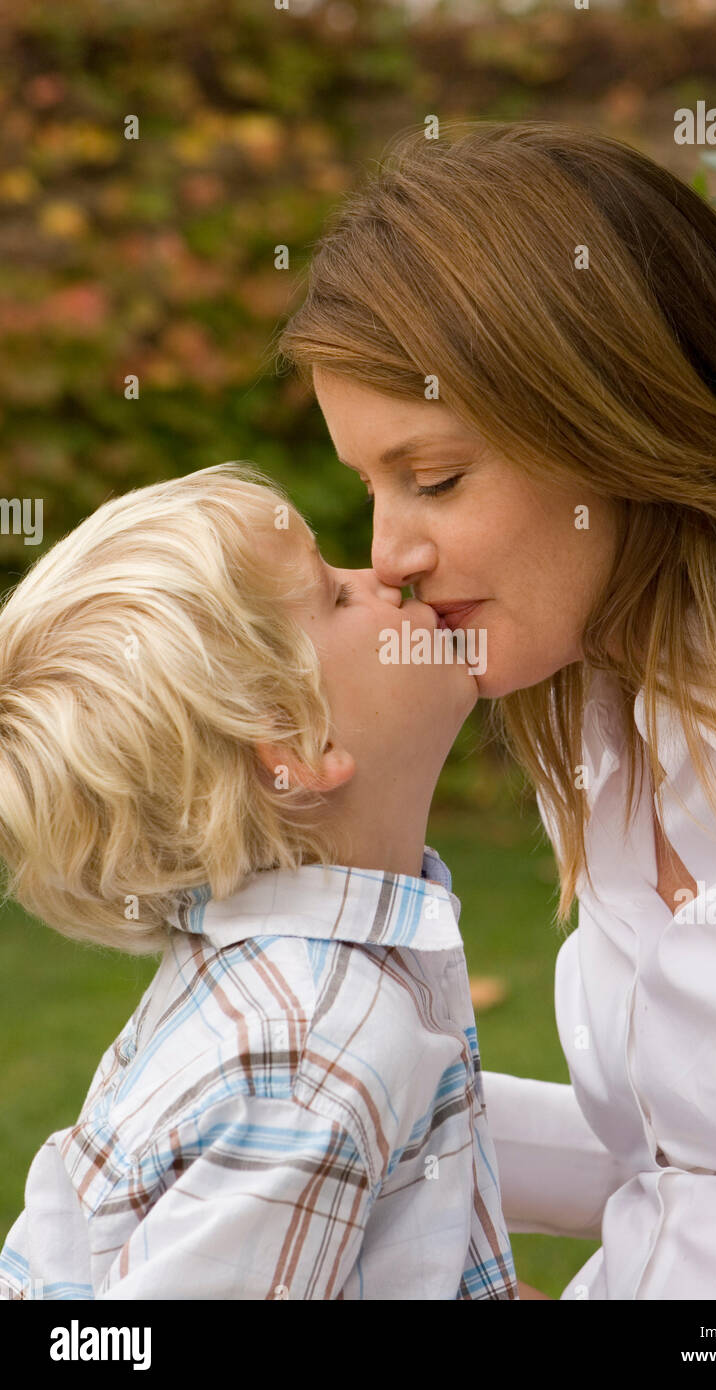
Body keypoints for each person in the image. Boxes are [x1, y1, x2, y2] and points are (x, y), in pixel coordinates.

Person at [279, 119, 716, 1299]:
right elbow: (678, 1154)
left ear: (610, 420)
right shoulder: (608, 710)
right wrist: (293, 1094)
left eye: (433, 477)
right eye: (369, 486)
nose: (390, 553)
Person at [0, 462, 517, 1300]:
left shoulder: (284, 982)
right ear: (299, 746)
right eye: (337, 598)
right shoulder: (315, 1047)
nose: (382, 577)